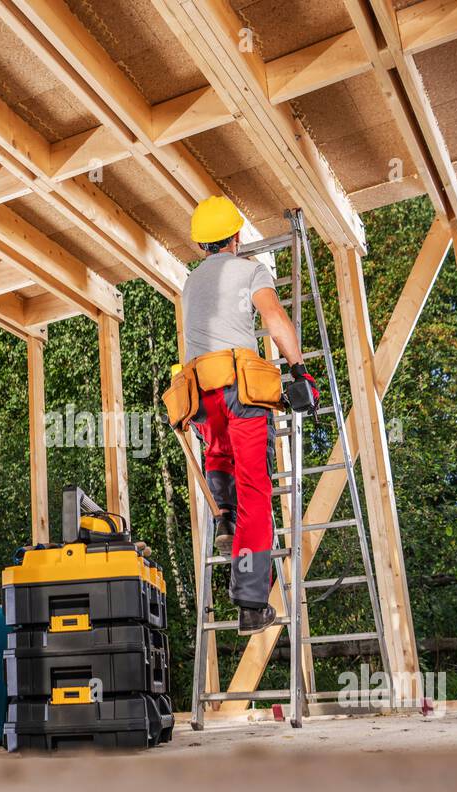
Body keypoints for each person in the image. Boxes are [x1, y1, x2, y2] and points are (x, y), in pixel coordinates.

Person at [181, 196, 319, 635]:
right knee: (257, 490)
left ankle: (224, 515)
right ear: (236, 238)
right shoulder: (250, 269)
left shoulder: (189, 283)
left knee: (219, 456)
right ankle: (251, 601)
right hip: (240, 388)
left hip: (200, 394)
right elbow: (274, 317)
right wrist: (298, 369)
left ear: (203, 245)